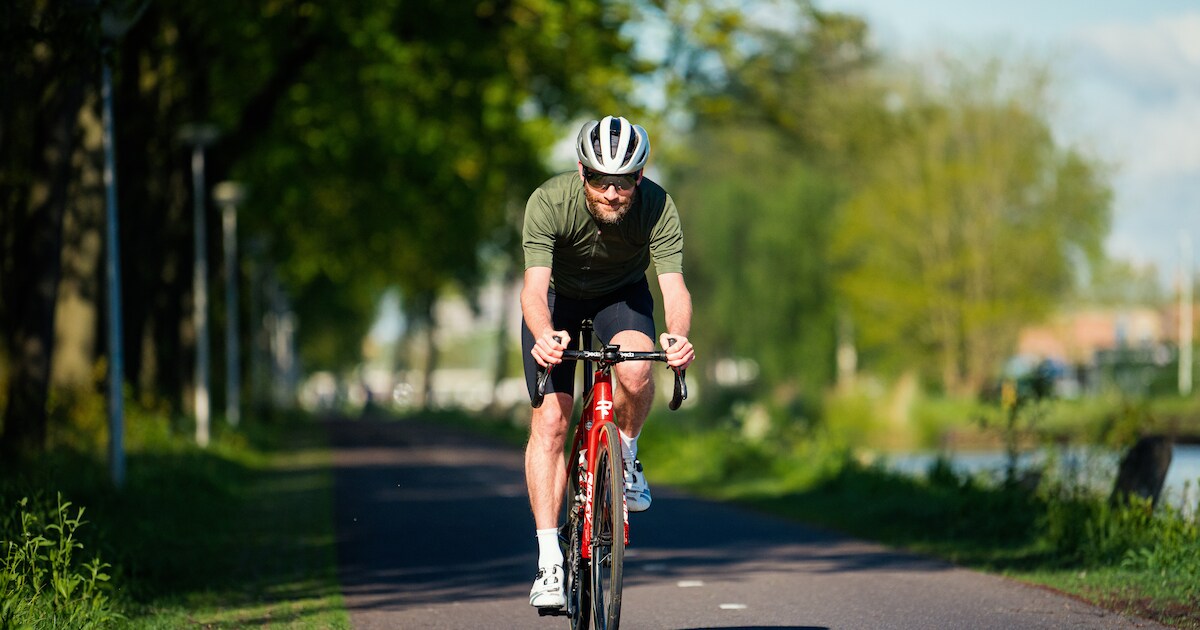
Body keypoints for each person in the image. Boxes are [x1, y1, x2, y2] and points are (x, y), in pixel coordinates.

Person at [521, 115, 696, 608]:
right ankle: (549, 561)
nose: (612, 194)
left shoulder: (658, 206)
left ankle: (626, 457)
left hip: (620, 296)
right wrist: (543, 335)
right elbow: (533, 288)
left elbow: (674, 287)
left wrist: (677, 337)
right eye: (600, 181)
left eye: (623, 183)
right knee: (552, 421)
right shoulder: (549, 201)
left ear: (639, 177)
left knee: (638, 370)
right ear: (582, 172)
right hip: (557, 299)